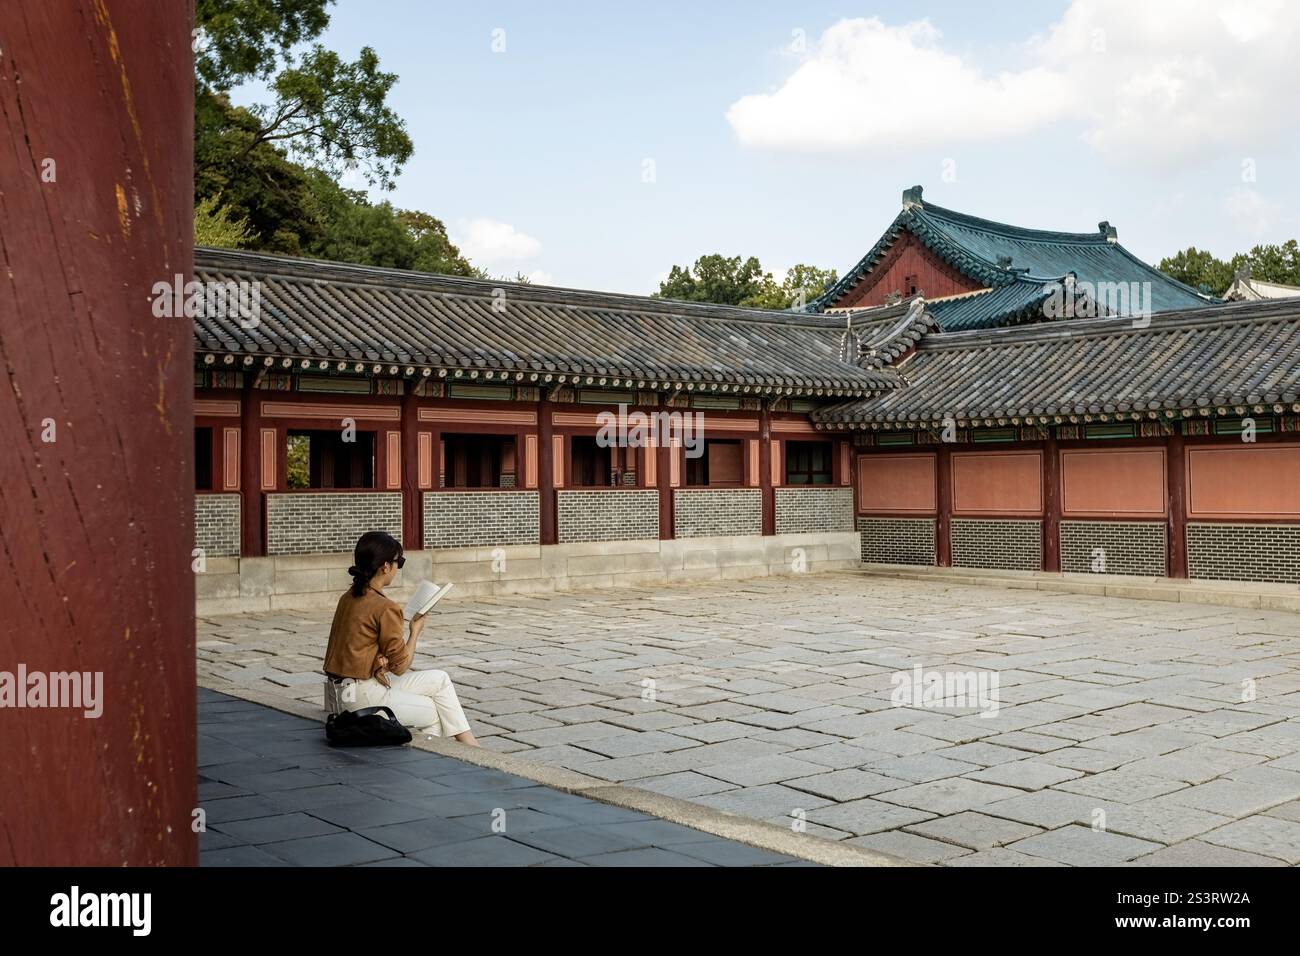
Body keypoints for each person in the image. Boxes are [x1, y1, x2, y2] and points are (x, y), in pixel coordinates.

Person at [322, 531, 479, 746]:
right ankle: (439, 758)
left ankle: (471, 746)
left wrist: (378, 660)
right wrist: (415, 631)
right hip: (362, 697)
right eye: (399, 562)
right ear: (385, 567)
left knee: (440, 679)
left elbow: (354, 647)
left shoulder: (348, 598)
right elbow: (401, 666)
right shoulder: (385, 607)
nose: (398, 568)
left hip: (339, 693)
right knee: (435, 712)